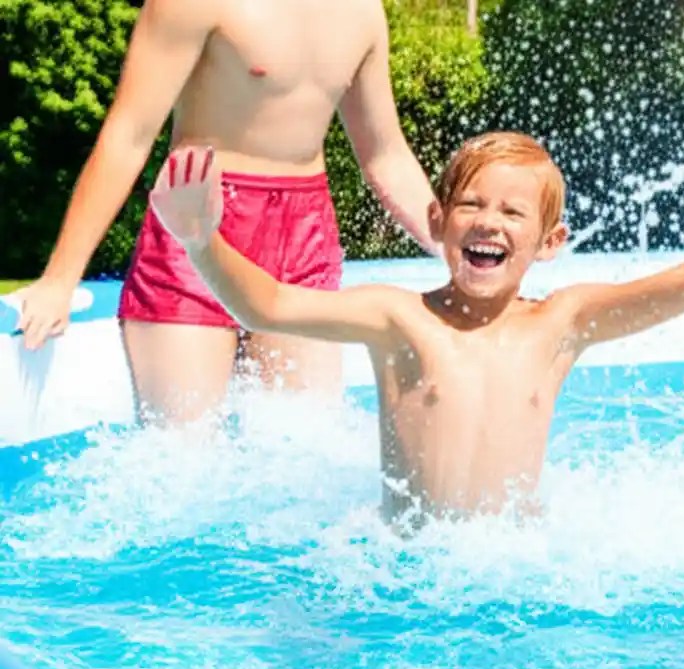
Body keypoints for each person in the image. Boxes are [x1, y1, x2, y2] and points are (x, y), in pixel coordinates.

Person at [143, 130, 684, 526]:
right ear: (437, 222)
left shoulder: (561, 325)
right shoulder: (398, 318)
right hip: (407, 572)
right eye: (472, 206)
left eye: (513, 213)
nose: (488, 223)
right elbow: (268, 306)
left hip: (514, 567)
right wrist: (201, 241)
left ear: (549, 241)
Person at [16, 0, 440, 425]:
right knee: (182, 455)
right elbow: (128, 135)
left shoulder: (361, 13)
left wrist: (451, 248)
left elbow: (386, 158)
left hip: (302, 234)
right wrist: (60, 278)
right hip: (197, 226)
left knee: (305, 444)